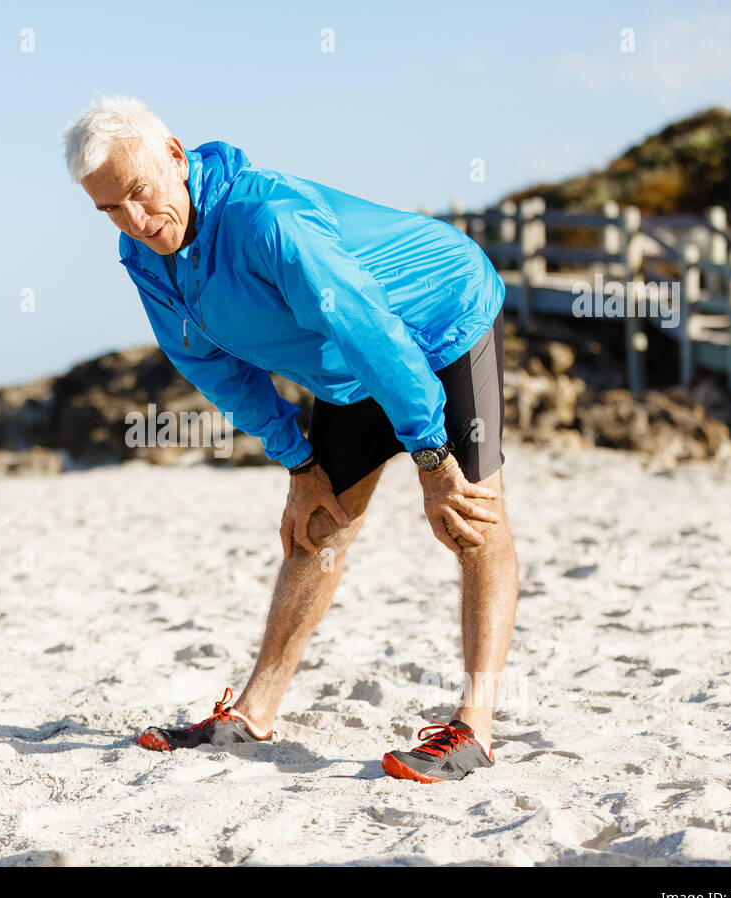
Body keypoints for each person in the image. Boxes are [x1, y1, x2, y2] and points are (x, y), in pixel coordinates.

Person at [64, 96, 518, 782]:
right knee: (318, 525)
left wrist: (431, 457)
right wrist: (298, 459)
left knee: (470, 515)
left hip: (442, 317)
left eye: (139, 192)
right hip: (345, 366)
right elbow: (211, 366)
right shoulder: (143, 256)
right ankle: (253, 714)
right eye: (109, 210)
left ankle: (475, 728)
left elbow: (368, 326)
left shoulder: (266, 221)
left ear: (176, 157)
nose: (134, 221)